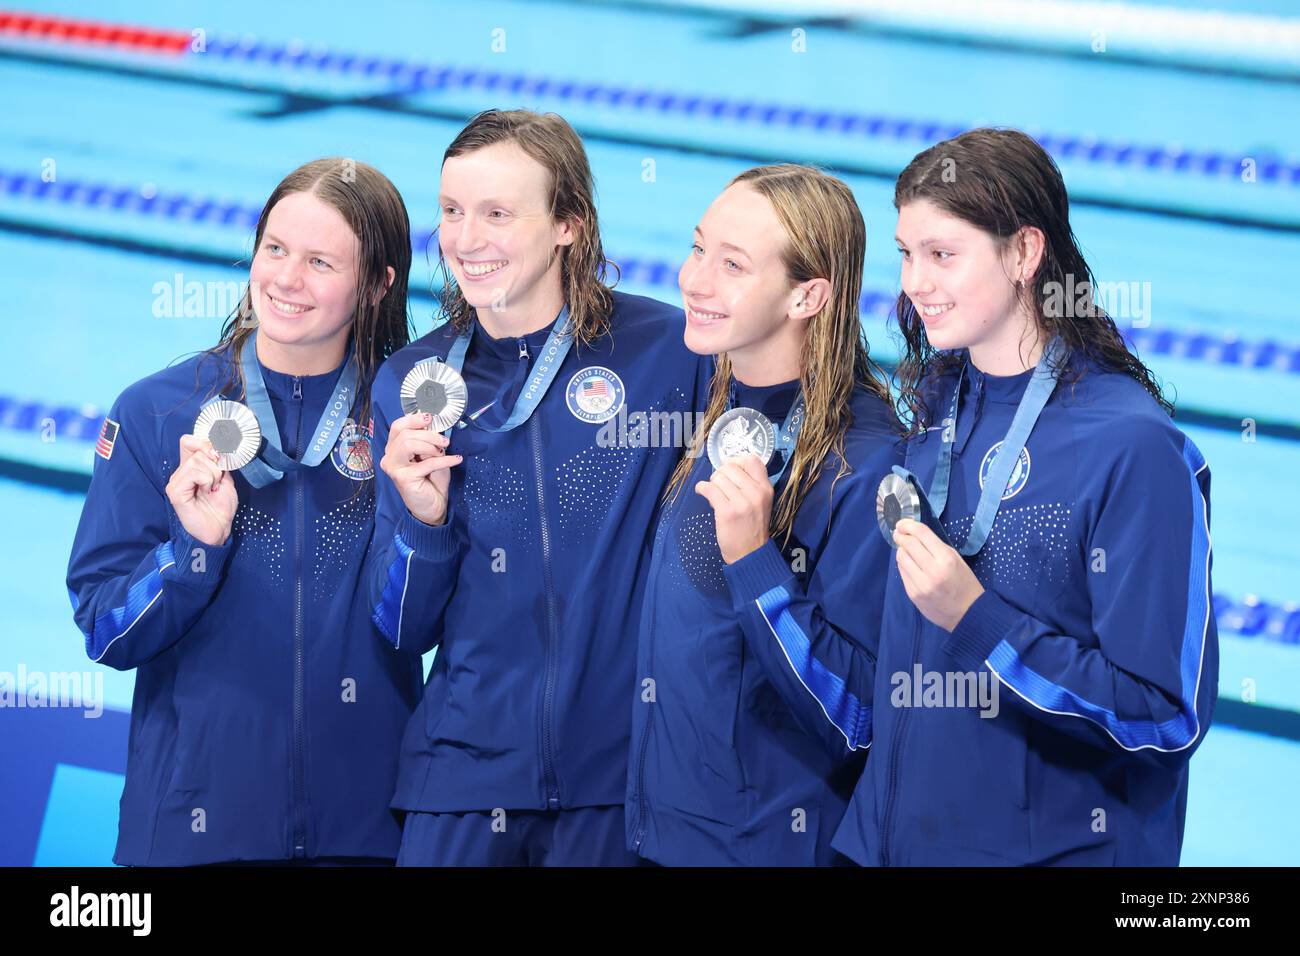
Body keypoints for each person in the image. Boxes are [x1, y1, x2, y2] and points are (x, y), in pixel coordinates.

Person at [831, 128, 1218, 866]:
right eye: (907, 253)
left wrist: (974, 618)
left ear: (1023, 254)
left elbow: (1163, 718)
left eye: (943, 255)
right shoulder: (943, 404)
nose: (914, 281)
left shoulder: (1132, 450)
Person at [366, 109, 711, 866]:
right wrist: (423, 523)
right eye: (453, 212)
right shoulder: (415, 383)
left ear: (568, 225)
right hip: (459, 781)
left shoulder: (669, 353)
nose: (465, 239)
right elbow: (400, 632)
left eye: (497, 213)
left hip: (620, 785)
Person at [66, 158, 421, 865]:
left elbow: (431, 620)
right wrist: (191, 554)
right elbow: (105, 631)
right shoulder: (156, 413)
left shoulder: (406, 424)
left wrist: (426, 525)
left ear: (378, 282)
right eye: (275, 249)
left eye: (321, 261)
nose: (286, 280)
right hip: (194, 831)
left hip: (368, 835)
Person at [626, 164, 902, 866]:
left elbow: (859, 715)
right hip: (664, 837)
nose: (694, 280)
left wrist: (756, 563)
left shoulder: (865, 463)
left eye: (733, 265)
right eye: (697, 249)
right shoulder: (722, 409)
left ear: (808, 295)